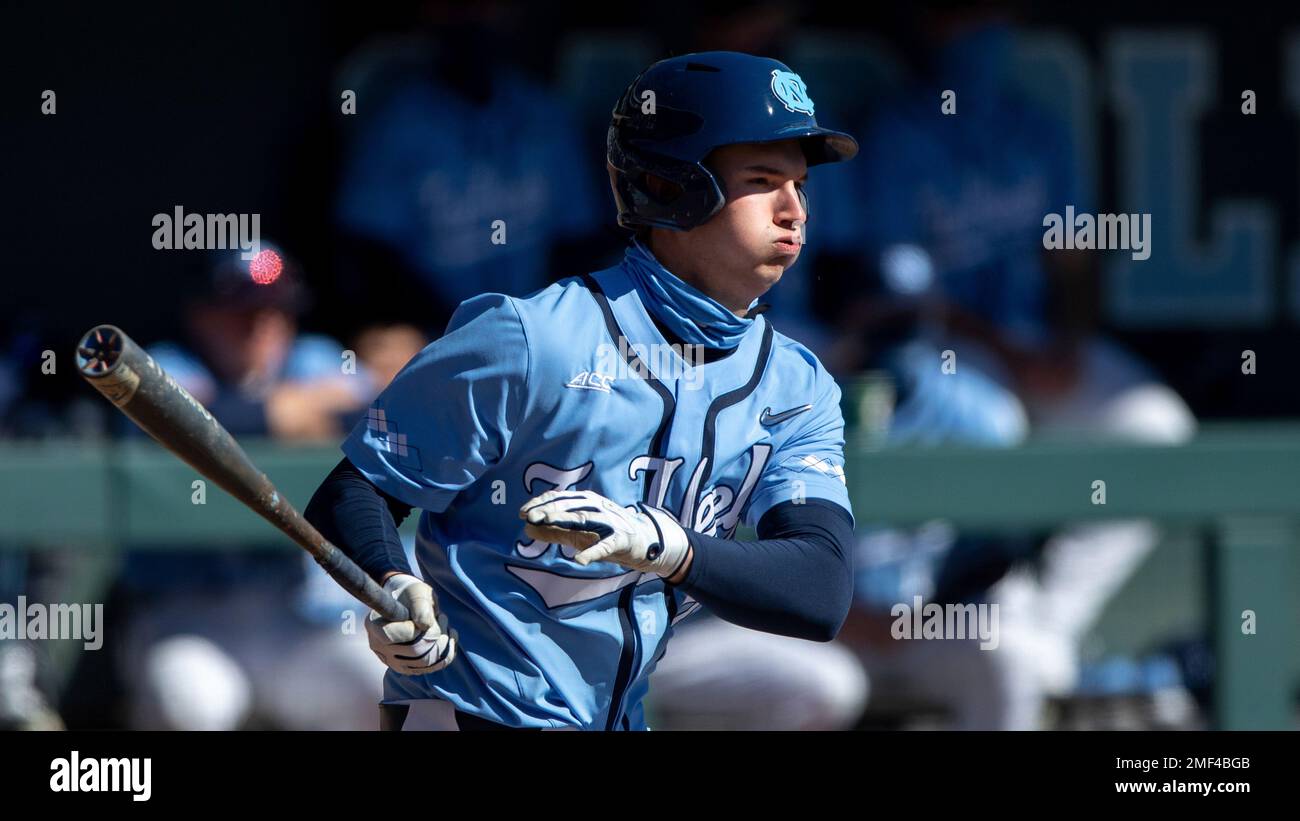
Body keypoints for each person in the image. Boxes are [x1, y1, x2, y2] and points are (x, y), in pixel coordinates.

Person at [305, 51, 862, 730]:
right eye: (762, 179)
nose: (794, 210)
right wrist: (390, 584)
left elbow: (819, 587)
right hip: (474, 714)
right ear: (672, 185)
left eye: (801, 185)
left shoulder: (796, 384)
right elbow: (352, 491)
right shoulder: (529, 337)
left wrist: (665, 545)